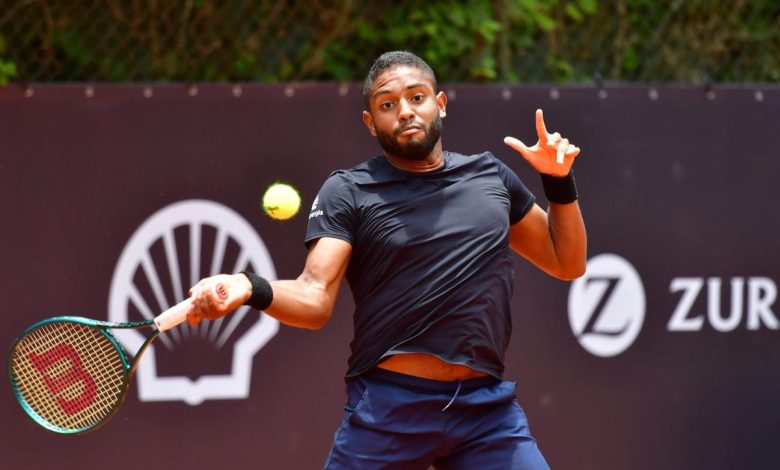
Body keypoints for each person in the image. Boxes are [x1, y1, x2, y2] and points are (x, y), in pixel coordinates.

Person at [187, 51, 586, 469]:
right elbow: (314, 297)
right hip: (389, 409)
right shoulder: (350, 191)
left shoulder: (491, 177)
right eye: (387, 104)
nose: (405, 112)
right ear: (370, 121)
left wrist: (559, 182)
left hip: (486, 414)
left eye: (417, 98)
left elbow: (567, 261)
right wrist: (250, 286)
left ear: (441, 104)